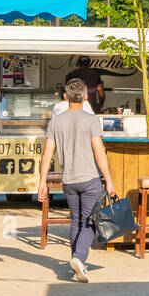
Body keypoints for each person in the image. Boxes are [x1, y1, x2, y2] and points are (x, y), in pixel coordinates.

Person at [36, 78, 117, 282]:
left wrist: (42, 181)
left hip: (69, 181)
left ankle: (77, 264)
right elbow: (99, 152)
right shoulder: (91, 120)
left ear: (65, 96)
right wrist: (109, 180)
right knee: (90, 221)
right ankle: (79, 258)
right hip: (90, 179)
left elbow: (47, 154)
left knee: (76, 220)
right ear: (86, 97)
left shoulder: (56, 121)